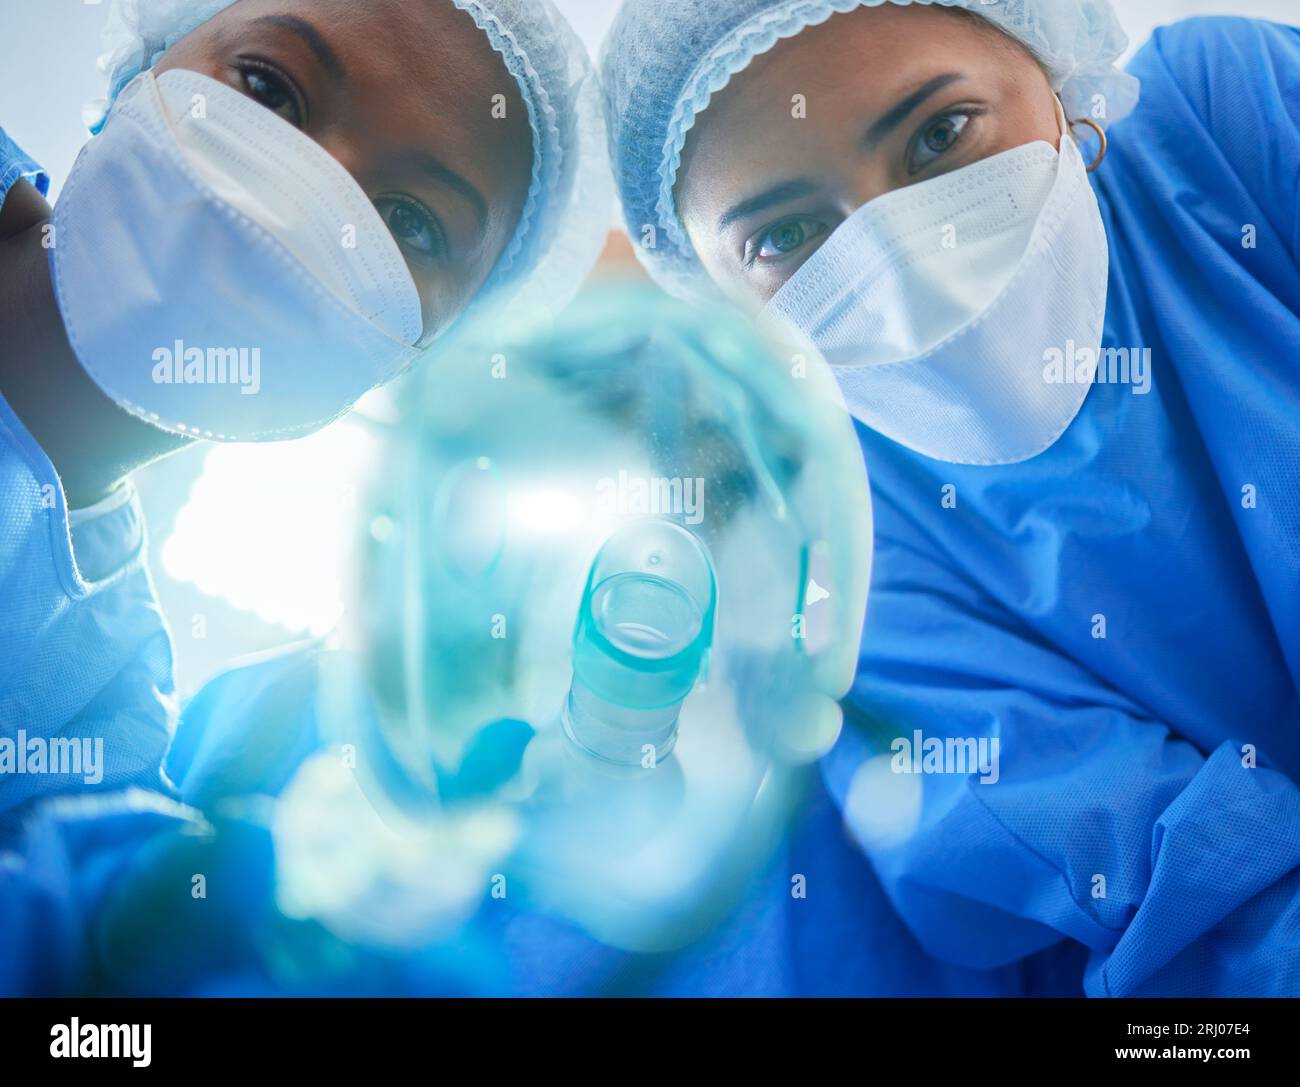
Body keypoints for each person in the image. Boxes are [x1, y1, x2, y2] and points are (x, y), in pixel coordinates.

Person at [601, 0, 1300, 995]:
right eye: (785, 235)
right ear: (726, 316)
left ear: (1056, 70)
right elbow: (1192, 897)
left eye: (938, 134)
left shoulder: (1231, 121)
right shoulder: (840, 574)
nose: (906, 270)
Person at [0, 0, 608, 836]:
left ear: (408, 360)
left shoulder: (94, 721)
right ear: (143, 65)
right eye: (270, 89)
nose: (295, 204)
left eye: (407, 223)